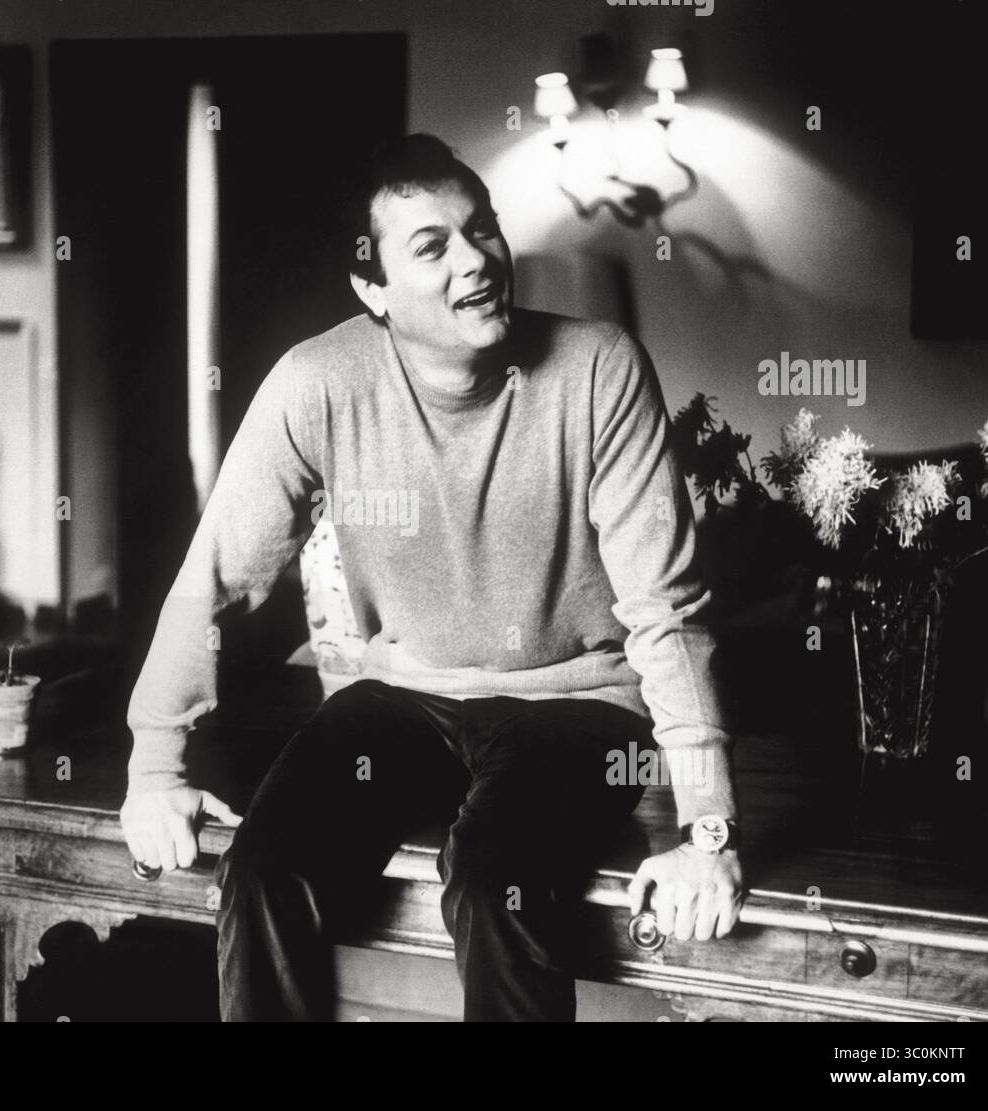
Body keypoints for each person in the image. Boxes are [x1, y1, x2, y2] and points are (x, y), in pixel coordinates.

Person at [120, 134, 744, 1021]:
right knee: (261, 870)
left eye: (480, 228)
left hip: (581, 705)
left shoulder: (600, 368)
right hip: (403, 699)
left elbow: (666, 609)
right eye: (432, 246)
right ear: (371, 289)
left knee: (497, 885)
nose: (477, 260)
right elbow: (212, 572)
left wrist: (708, 829)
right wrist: (155, 765)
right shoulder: (316, 383)